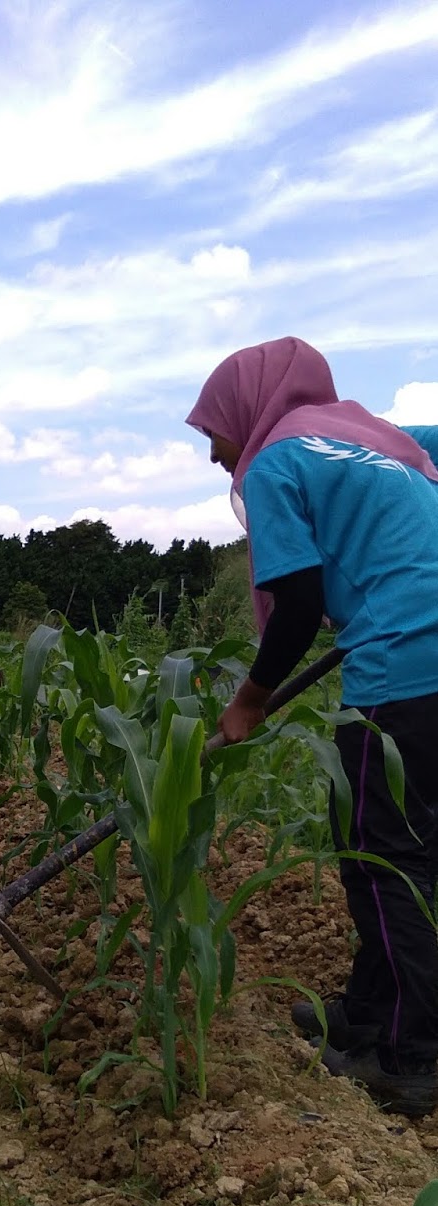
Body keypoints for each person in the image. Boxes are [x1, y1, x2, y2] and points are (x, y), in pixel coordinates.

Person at [186, 336, 438, 1118]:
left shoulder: (274, 466)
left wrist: (249, 700)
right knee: (399, 853)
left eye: (212, 433)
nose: (214, 454)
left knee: (383, 861)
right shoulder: (387, 442)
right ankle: (368, 1012)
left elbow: (295, 606)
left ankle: (409, 1057)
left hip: (400, 675)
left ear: (244, 409)